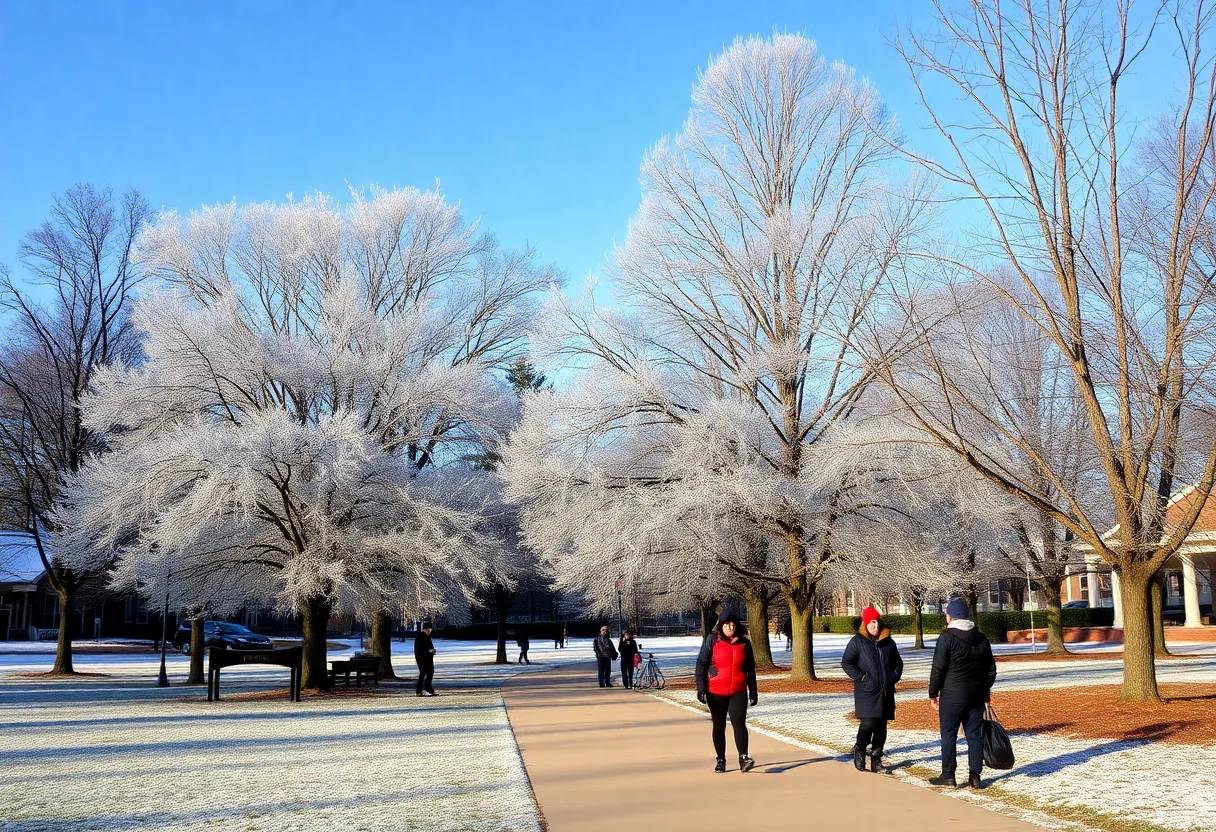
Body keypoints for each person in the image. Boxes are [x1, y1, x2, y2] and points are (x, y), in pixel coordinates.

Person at [928, 597, 997, 789]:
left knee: (949, 735)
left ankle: (948, 775)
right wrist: (984, 689)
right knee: (974, 735)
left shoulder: (946, 638)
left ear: (951, 616)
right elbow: (991, 669)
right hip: (975, 695)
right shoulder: (981, 638)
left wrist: (933, 693)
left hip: (951, 696)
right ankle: (975, 776)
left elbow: (938, 669)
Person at [841, 606, 903, 773]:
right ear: (865, 624)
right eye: (871, 622)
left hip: (885, 691)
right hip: (867, 692)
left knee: (881, 726)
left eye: (877, 621)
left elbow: (898, 663)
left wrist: (893, 677)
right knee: (868, 724)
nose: (875, 625)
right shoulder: (858, 641)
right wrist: (862, 676)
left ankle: (876, 760)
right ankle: (860, 750)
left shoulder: (888, 642)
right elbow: (847, 662)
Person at [695, 613, 758, 773]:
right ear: (721, 626)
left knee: (739, 723)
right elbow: (701, 663)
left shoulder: (744, 643)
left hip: (738, 690)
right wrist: (701, 688)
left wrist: (753, 690)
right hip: (716, 691)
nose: (730, 627)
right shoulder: (712, 640)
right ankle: (721, 759)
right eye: (726, 624)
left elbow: (750, 668)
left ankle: (743, 758)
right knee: (719, 725)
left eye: (732, 624)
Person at [414, 621, 437, 697]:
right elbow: (418, 650)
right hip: (422, 659)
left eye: (430, 630)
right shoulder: (419, 637)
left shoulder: (428, 638)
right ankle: (419, 691)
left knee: (430, 672)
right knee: (423, 673)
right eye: (428, 630)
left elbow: (431, 647)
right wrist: (428, 651)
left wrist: (432, 651)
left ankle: (428, 689)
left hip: (429, 659)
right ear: (424, 629)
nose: (429, 631)